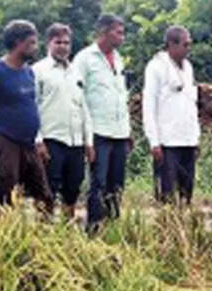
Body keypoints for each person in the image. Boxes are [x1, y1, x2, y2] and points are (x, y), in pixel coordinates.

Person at [0, 20, 51, 212]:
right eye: (31, 43)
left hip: (28, 143)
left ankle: (43, 238)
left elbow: (31, 106)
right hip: (5, 141)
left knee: (45, 198)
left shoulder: (28, 72)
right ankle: (6, 238)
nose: (35, 47)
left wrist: (38, 141)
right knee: (6, 199)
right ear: (17, 43)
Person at [74, 13, 132, 232]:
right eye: (119, 32)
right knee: (98, 182)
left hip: (119, 132)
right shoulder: (85, 59)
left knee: (117, 184)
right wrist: (87, 139)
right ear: (105, 32)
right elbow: (79, 99)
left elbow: (121, 96)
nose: (122, 37)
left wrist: (127, 132)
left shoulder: (118, 59)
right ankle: (94, 229)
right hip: (98, 132)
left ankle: (113, 229)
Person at [34, 23, 94, 221]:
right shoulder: (38, 71)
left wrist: (89, 141)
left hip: (75, 141)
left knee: (73, 188)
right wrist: (38, 140)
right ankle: (45, 234)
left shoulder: (75, 72)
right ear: (48, 44)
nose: (63, 46)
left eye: (67, 42)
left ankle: (68, 233)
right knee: (47, 189)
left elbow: (83, 106)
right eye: (58, 42)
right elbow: (32, 107)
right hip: (51, 139)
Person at [143, 25, 200, 206]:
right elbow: (149, 104)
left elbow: (191, 104)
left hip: (188, 139)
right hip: (167, 142)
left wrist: (196, 138)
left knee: (186, 193)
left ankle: (182, 232)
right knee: (166, 194)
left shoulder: (188, 67)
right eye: (185, 44)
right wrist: (154, 141)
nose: (188, 48)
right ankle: (165, 232)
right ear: (171, 45)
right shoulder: (156, 67)